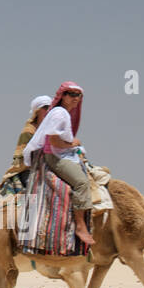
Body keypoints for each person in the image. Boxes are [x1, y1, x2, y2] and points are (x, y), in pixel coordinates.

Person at [23, 81, 95, 245]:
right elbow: (54, 140)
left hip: (62, 153)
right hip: (57, 155)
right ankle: (80, 225)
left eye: (78, 95)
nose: (75, 98)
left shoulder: (62, 113)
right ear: (62, 96)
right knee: (82, 184)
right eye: (71, 94)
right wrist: (73, 144)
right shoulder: (60, 114)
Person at [0, 95, 52, 197]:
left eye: (50, 108)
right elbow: (24, 156)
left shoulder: (51, 129)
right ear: (37, 111)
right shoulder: (29, 130)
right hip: (29, 169)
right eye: (45, 107)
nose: (48, 111)